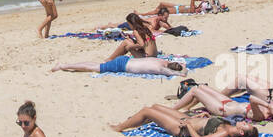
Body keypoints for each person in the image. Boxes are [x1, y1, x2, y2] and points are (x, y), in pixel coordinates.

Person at [108, 104, 260, 137]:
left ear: (241, 132)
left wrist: (187, 126)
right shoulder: (230, 126)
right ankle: (134, 121)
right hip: (188, 119)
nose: (245, 122)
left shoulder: (225, 133)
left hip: (181, 128)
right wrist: (206, 116)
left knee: (147, 111)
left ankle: (119, 127)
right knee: (155, 107)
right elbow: (211, 124)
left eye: (246, 125)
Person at [50, 56, 189, 76]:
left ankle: (64, 65)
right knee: (93, 67)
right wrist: (182, 72)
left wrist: (183, 65)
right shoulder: (160, 69)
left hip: (125, 59)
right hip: (121, 66)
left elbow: (181, 63)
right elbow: (176, 74)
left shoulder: (162, 61)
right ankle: (63, 66)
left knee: (95, 65)